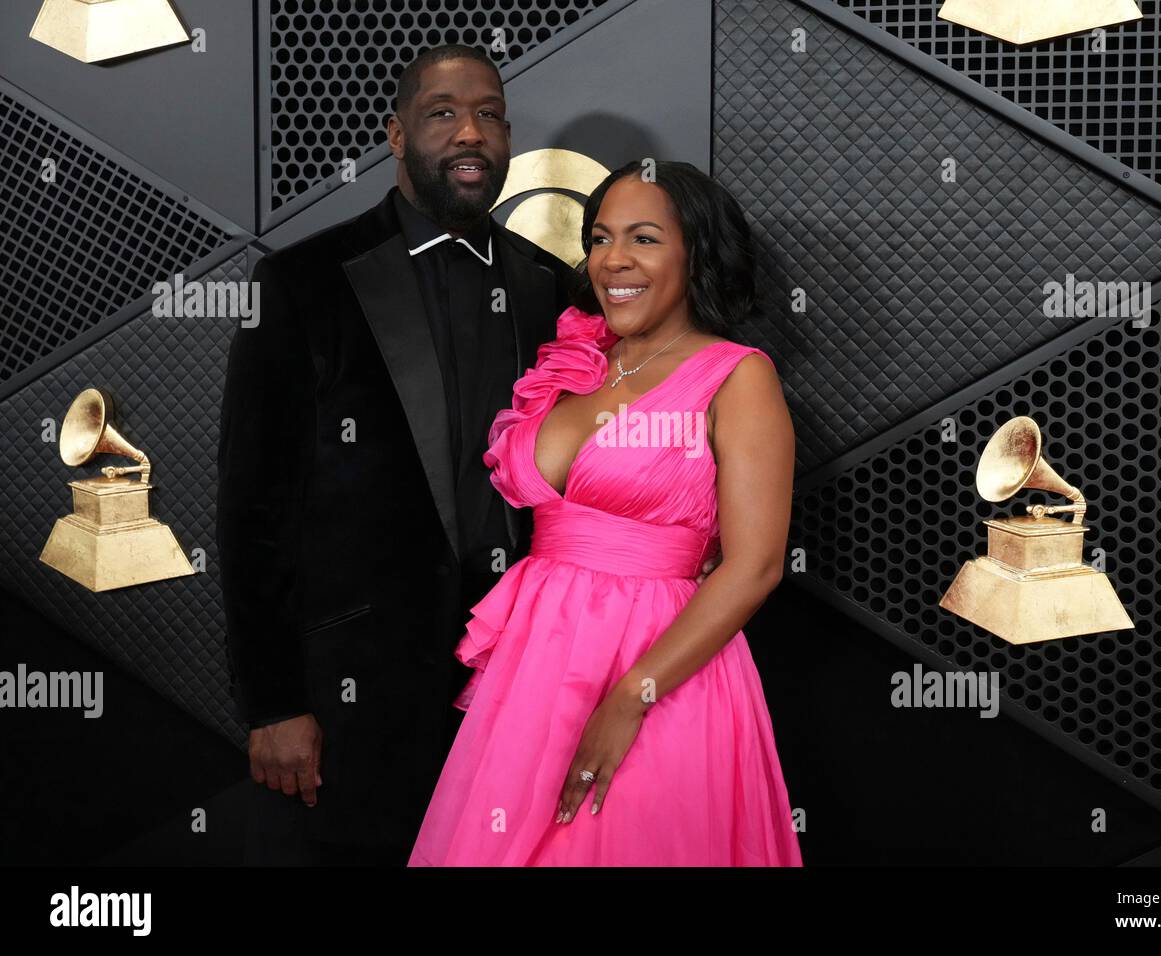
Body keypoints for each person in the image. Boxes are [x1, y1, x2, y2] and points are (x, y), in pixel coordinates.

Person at [216, 45, 572, 865]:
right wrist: (271, 704)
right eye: (443, 113)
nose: (470, 133)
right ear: (397, 135)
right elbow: (251, 508)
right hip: (354, 695)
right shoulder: (302, 283)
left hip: (518, 687)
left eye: (489, 114)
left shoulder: (549, 287)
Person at [407, 159, 803, 866]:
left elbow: (756, 565)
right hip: (535, 667)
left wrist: (631, 697)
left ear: (696, 253)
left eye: (644, 238)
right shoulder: (576, 360)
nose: (613, 259)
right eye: (599, 237)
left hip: (662, 670)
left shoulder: (737, 376)